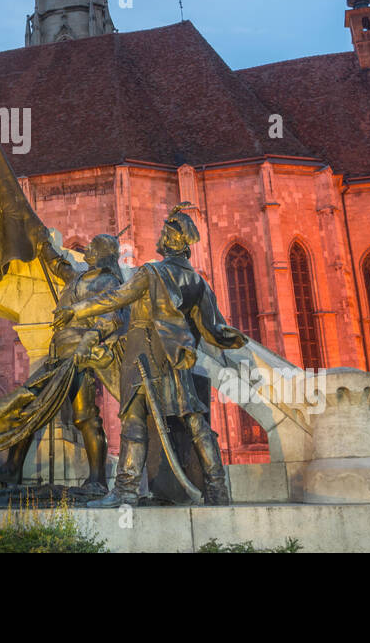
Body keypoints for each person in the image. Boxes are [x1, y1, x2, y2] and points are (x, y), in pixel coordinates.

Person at [52, 206, 246, 507]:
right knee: (196, 422)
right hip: (176, 357)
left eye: (163, 234)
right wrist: (232, 339)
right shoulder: (198, 283)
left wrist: (75, 310)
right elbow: (213, 328)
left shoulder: (151, 272)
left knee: (133, 420)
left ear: (170, 241)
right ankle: (217, 488)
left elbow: (116, 298)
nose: (160, 238)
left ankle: (126, 490)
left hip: (142, 354)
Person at [0, 231, 126, 494]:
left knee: (85, 417)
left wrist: (90, 339)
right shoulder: (76, 277)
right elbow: (58, 265)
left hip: (81, 354)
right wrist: (41, 241)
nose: (87, 249)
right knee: (28, 404)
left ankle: (97, 478)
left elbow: (112, 315)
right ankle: (12, 468)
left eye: (93, 246)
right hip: (57, 354)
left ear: (102, 254)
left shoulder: (108, 282)